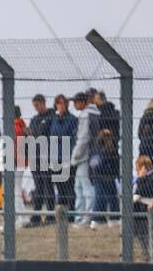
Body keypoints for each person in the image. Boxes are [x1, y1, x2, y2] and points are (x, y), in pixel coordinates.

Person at [69, 91, 99, 225]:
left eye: (75, 102)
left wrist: (74, 156)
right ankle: (81, 216)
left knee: (83, 187)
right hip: (93, 154)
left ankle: (85, 217)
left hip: (84, 156)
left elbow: (82, 138)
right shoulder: (96, 113)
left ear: (81, 102)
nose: (74, 105)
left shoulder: (85, 115)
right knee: (83, 186)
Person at [48, 94, 78, 215]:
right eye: (58, 103)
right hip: (55, 157)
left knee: (69, 186)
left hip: (67, 157)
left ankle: (71, 213)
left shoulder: (72, 119)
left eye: (63, 103)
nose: (61, 105)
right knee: (59, 187)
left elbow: (73, 138)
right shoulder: (54, 120)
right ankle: (62, 213)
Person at [28, 94, 55, 226]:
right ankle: (36, 215)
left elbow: (49, 135)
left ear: (43, 103)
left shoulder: (51, 117)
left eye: (38, 105)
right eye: (34, 106)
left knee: (47, 186)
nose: (36, 108)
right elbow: (31, 135)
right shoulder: (34, 119)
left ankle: (50, 215)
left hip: (47, 156)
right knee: (38, 186)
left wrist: (35, 134)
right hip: (35, 156)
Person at [130, 154, 153, 259]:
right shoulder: (144, 178)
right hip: (139, 211)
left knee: (145, 234)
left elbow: (143, 191)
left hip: (146, 210)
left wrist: (140, 179)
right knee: (140, 234)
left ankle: (149, 253)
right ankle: (145, 252)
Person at [88, 129, 119, 228]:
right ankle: (112, 219)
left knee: (100, 197)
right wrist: (116, 176)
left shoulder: (95, 150)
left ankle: (98, 220)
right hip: (108, 177)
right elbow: (116, 165)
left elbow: (91, 165)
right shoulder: (111, 150)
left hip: (99, 177)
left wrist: (91, 178)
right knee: (110, 198)